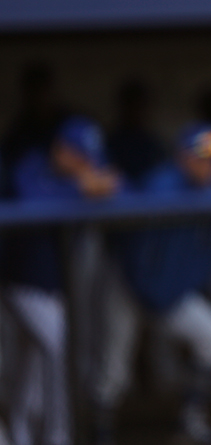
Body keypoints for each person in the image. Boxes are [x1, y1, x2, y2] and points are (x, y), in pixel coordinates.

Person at [111, 123, 211, 443]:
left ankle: (192, 420)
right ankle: (97, 431)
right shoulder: (159, 187)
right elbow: (129, 250)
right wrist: (148, 295)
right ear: (183, 157)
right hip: (125, 289)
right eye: (204, 158)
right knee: (111, 369)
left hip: (169, 295)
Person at [1, 115, 122, 445]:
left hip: (52, 288)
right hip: (19, 284)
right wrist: (78, 188)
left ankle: (31, 435)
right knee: (46, 357)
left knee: (33, 370)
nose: (86, 165)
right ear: (61, 150)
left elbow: (118, 184)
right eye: (80, 156)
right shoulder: (30, 165)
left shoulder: (77, 176)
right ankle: (55, 436)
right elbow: (30, 196)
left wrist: (100, 184)